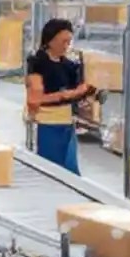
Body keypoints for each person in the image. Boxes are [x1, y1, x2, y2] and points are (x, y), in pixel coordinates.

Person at [26, 18, 91, 175]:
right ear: (50, 40)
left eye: (69, 41)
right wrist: (65, 95)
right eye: (62, 41)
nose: (66, 46)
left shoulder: (69, 65)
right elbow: (35, 99)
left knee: (70, 171)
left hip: (67, 126)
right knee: (49, 171)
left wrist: (84, 98)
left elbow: (79, 91)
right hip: (46, 125)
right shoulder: (38, 63)